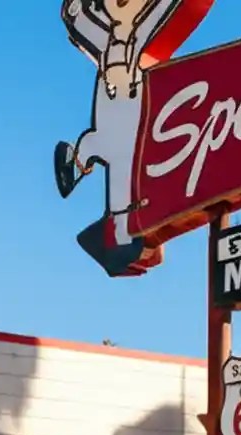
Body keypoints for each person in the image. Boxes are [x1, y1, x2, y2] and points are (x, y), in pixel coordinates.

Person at [53, 0, 191, 277]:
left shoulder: (139, 36)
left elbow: (165, 9)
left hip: (130, 122)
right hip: (113, 120)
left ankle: (123, 234)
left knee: (121, 163)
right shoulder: (107, 39)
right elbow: (77, 18)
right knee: (108, 151)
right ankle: (78, 165)